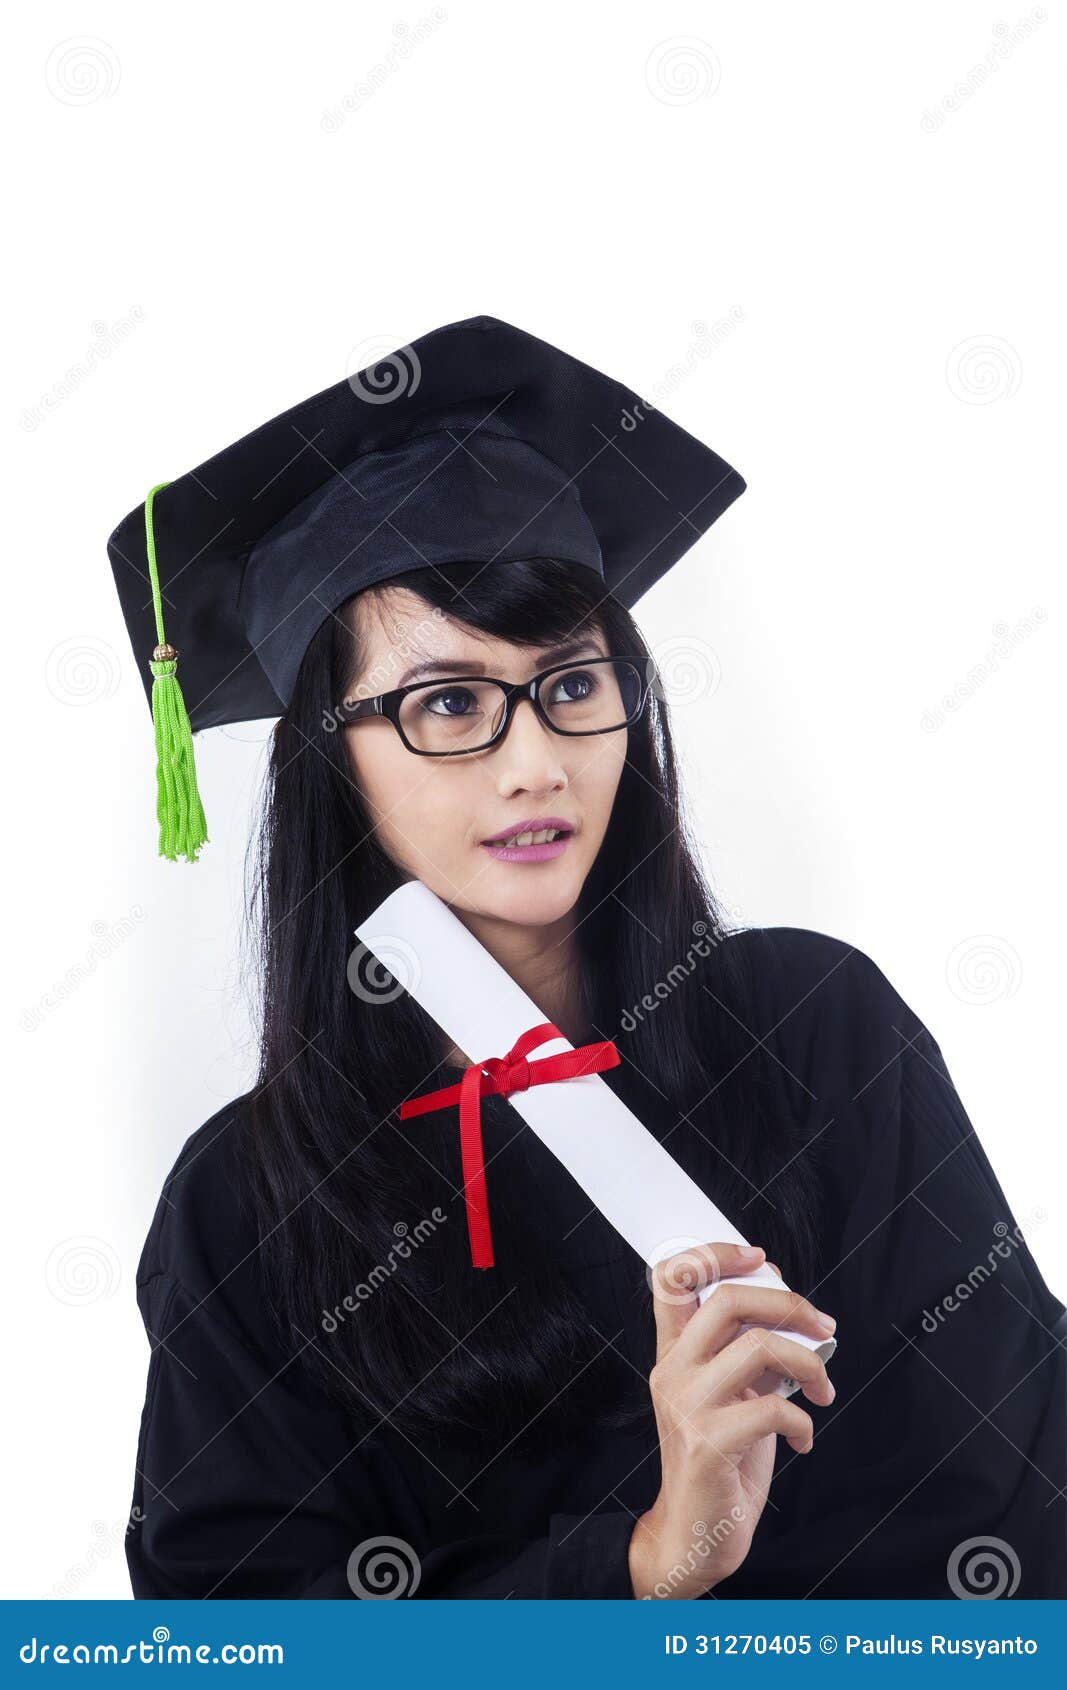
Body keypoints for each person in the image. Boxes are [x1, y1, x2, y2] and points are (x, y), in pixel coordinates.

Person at [110, 316, 1066, 1599]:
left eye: (569, 683)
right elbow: (250, 1636)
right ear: (329, 758)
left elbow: (1004, 1472)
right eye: (447, 701)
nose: (533, 761)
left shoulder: (817, 1033)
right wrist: (648, 1558)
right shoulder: (242, 1207)